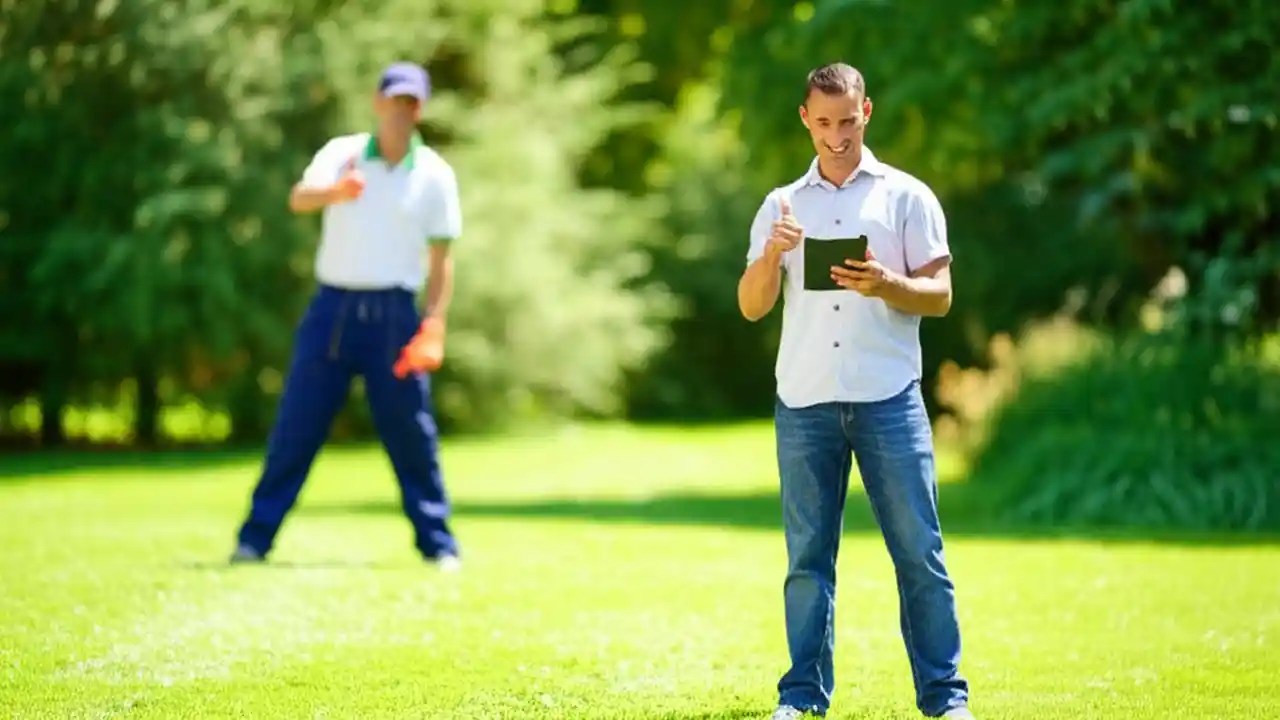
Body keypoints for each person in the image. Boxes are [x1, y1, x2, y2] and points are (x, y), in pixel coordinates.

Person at [737, 63, 974, 719]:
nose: (836, 136)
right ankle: (803, 698)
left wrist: (884, 285)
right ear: (805, 120)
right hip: (805, 403)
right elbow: (752, 306)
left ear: (865, 112)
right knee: (807, 563)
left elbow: (942, 294)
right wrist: (768, 257)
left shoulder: (906, 198)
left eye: (847, 121)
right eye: (824, 123)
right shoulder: (782, 204)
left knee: (919, 555)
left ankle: (945, 698)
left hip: (888, 400)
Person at [230, 61, 463, 571]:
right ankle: (254, 540)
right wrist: (338, 192)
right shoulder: (342, 153)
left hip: (395, 317)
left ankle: (439, 546)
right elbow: (298, 198)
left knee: (411, 433)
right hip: (332, 311)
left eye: (411, 102)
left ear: (420, 108)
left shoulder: (434, 176)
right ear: (378, 102)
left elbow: (442, 263)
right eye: (393, 100)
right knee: (298, 425)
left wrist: (434, 324)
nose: (401, 110)